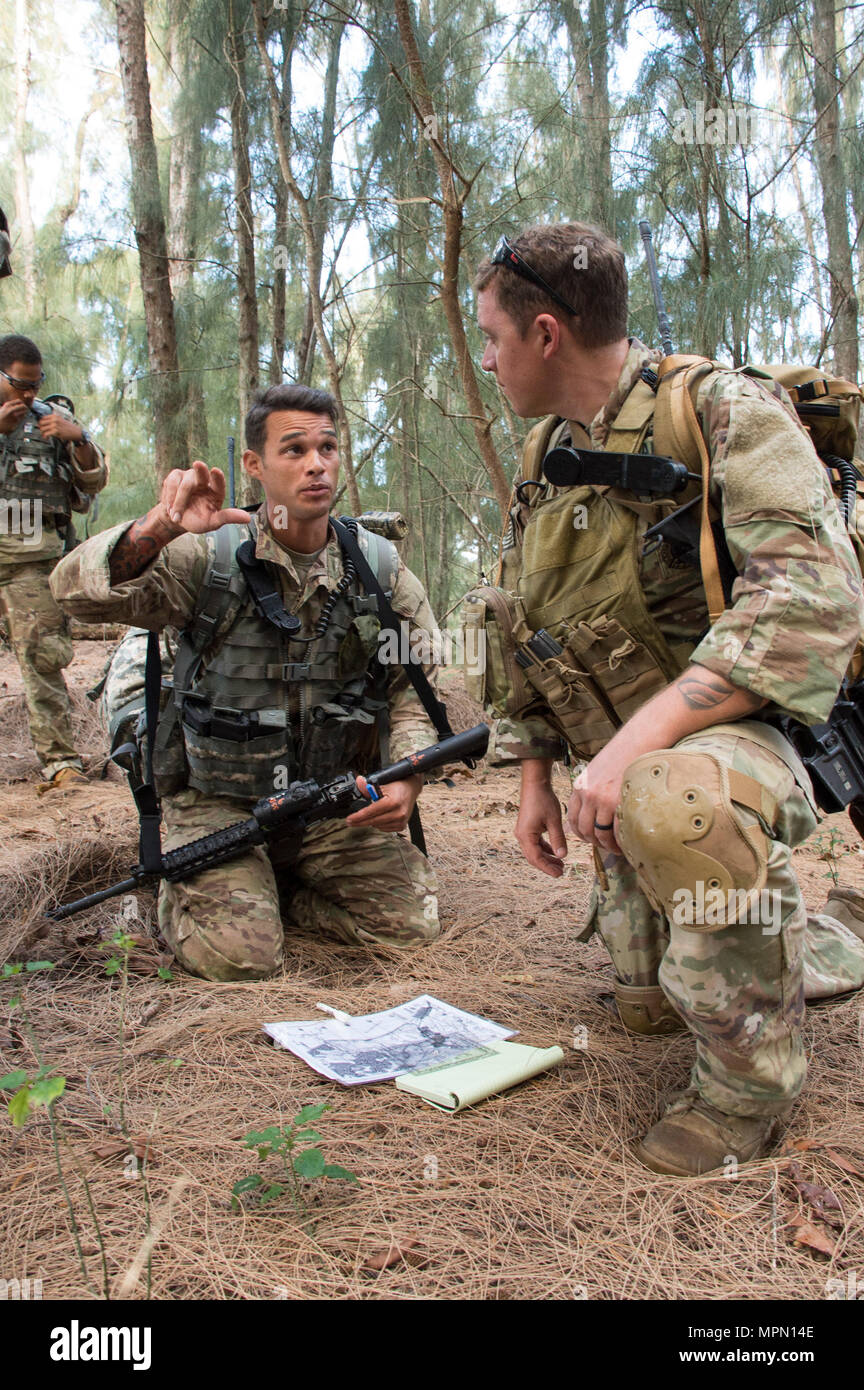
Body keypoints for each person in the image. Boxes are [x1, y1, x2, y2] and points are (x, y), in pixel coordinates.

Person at [472, 222, 864, 1176]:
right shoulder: (542, 456)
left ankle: (746, 1095)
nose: (487, 359)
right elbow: (527, 619)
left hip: (748, 735)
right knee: (650, 1003)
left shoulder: (724, 409)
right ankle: (823, 939)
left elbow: (812, 599)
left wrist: (629, 752)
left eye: (493, 337)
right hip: (629, 763)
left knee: (676, 810)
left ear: (547, 333)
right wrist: (533, 772)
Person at [52, 383, 441, 981]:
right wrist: (158, 528)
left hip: (326, 802)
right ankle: (212, 893)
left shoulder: (377, 568)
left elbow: (412, 686)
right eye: (294, 449)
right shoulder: (205, 557)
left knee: (411, 926)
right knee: (240, 959)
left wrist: (408, 773)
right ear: (255, 465)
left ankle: (281, 893)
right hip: (217, 805)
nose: (316, 463)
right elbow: (75, 594)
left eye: (328, 446)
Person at [0, 333, 107, 788]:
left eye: (35, 383)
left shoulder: (50, 419)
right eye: (19, 384)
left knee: (43, 658)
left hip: (29, 554)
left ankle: (62, 763)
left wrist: (78, 437)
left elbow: (95, 480)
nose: (28, 393)